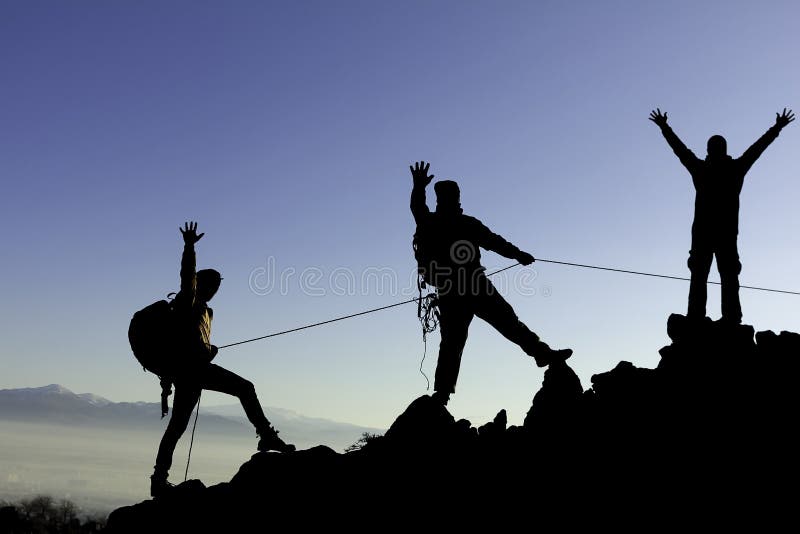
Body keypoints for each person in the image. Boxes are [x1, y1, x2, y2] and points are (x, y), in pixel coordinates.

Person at [150, 222, 294, 498]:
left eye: (217, 285)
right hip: (192, 372)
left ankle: (159, 479)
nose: (215, 289)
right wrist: (189, 246)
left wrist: (208, 351)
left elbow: (192, 343)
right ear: (201, 283)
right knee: (245, 388)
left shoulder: (206, 311)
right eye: (212, 284)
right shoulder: (187, 300)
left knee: (177, 428)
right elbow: (186, 275)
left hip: (191, 371)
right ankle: (266, 435)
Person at [410, 162, 572, 406]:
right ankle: (542, 354)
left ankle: (442, 393)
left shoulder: (431, 222)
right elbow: (494, 242)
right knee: (504, 325)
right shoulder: (464, 223)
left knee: (457, 340)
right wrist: (519, 255)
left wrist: (418, 186)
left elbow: (418, 208)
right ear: (455, 198)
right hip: (473, 285)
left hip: (453, 289)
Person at [649, 108, 794, 323]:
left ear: (709, 150)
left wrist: (664, 127)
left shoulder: (704, 169)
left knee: (705, 277)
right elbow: (757, 148)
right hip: (722, 235)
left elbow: (680, 150)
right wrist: (777, 128)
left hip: (707, 235)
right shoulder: (732, 169)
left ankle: (702, 316)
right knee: (723, 277)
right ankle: (728, 317)